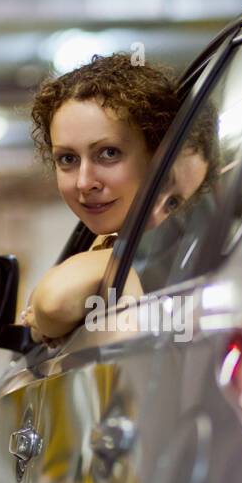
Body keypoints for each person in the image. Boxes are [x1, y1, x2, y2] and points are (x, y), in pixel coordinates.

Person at [20, 53, 184, 345]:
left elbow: (53, 303)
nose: (84, 182)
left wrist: (106, 260)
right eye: (67, 159)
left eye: (109, 153)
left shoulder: (175, 244)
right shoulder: (120, 238)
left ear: (157, 156)